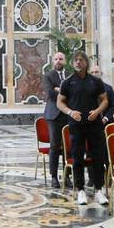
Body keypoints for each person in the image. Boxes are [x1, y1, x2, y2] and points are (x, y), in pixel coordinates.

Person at [56, 51, 109, 206]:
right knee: (78, 158)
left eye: (81, 60)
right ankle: (80, 190)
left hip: (94, 125)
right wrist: (70, 112)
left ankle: (99, 190)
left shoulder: (96, 81)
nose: (78, 62)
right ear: (73, 63)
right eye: (76, 60)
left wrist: (98, 111)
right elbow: (60, 103)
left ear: (86, 63)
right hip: (76, 126)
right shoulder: (67, 82)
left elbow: (105, 100)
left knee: (98, 157)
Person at [42, 51, 70, 189]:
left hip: (68, 114)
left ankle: (67, 176)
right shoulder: (48, 76)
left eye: (61, 59)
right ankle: (54, 177)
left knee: (68, 147)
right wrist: (63, 91)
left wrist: (59, 89)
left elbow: (75, 92)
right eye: (56, 59)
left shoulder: (70, 75)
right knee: (54, 146)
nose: (58, 61)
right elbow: (51, 94)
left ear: (65, 61)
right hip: (54, 115)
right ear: (53, 61)